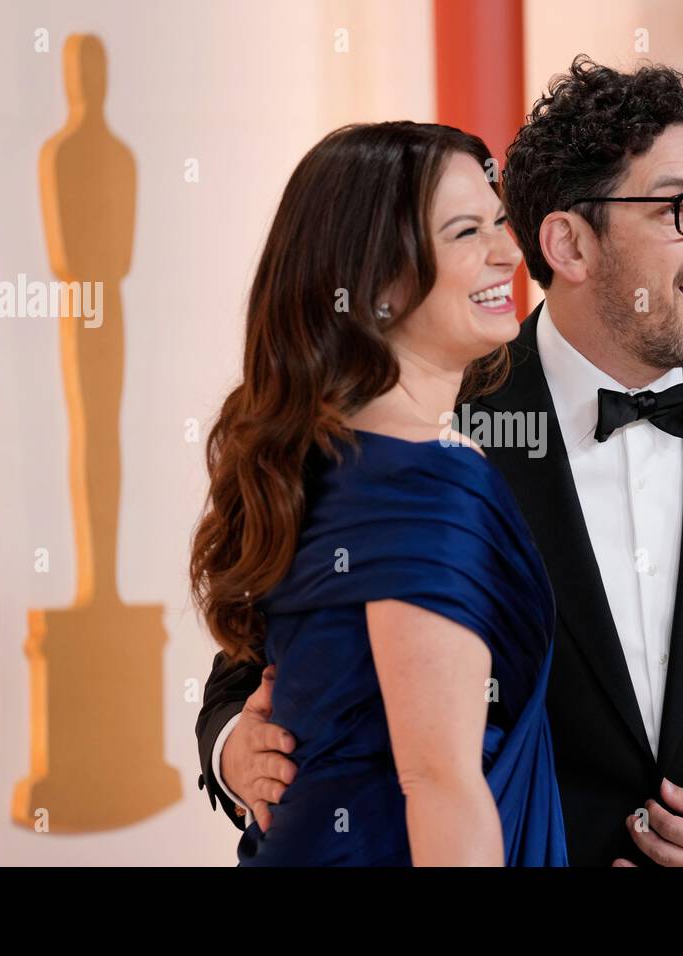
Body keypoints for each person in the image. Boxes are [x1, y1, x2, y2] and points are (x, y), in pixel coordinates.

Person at [197, 56, 683, 867]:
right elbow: (265, 657)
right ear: (570, 243)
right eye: (681, 209)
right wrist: (237, 748)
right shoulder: (428, 422)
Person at [189, 120, 568, 865]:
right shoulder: (427, 477)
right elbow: (439, 785)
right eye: (466, 232)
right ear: (379, 282)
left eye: (499, 222)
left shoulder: (320, 455)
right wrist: (232, 746)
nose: (508, 252)